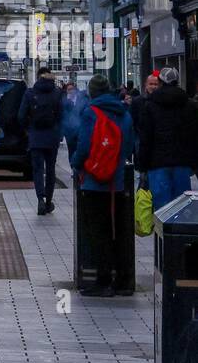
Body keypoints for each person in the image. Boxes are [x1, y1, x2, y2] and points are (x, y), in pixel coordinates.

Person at [71, 73, 134, 296]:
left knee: (98, 232)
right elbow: (129, 145)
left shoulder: (91, 112)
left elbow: (84, 145)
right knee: (119, 230)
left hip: (94, 180)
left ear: (92, 91)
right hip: (118, 182)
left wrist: (76, 164)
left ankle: (103, 280)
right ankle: (124, 281)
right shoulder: (124, 113)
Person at [136, 66, 198, 209]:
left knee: (161, 208)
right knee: (181, 207)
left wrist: (142, 165)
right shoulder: (189, 105)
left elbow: (145, 138)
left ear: (160, 82)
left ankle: (161, 231)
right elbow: (194, 137)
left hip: (157, 163)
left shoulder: (150, 105)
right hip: (182, 162)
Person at [18, 66, 64, 216]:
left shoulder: (30, 93)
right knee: (50, 170)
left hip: (36, 136)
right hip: (52, 136)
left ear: (38, 77)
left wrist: (28, 130)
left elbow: (21, 116)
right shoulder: (57, 93)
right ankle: (49, 200)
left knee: (37, 169)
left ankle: (40, 199)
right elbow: (62, 115)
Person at [129, 70, 160, 143]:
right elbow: (133, 121)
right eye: (151, 84)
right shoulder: (137, 101)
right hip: (141, 138)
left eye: (156, 84)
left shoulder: (163, 101)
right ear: (146, 85)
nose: (153, 87)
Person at [60, 82, 89, 161]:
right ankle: (73, 169)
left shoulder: (82, 100)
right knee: (71, 151)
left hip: (80, 130)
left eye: (72, 89)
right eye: (69, 90)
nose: (71, 91)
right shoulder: (64, 102)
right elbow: (63, 116)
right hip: (69, 131)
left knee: (80, 150)